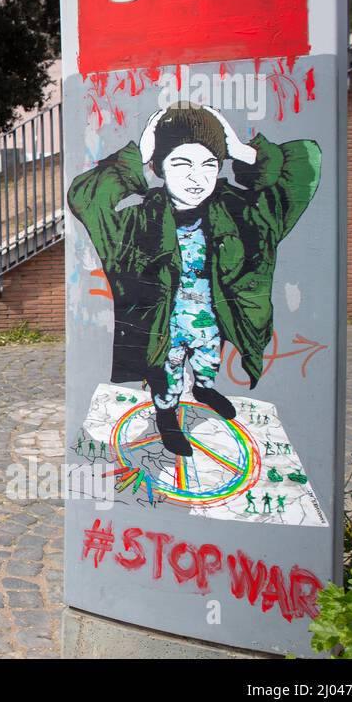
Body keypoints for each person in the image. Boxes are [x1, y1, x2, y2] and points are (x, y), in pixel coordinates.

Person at [67, 101, 321, 456]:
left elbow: (304, 169)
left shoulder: (242, 215)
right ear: (158, 167)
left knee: (207, 363)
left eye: (209, 164)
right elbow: (86, 199)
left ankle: (203, 388)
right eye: (181, 163)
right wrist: (138, 154)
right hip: (164, 328)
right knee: (168, 380)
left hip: (212, 323)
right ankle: (167, 415)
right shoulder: (136, 224)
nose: (196, 177)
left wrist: (243, 152)